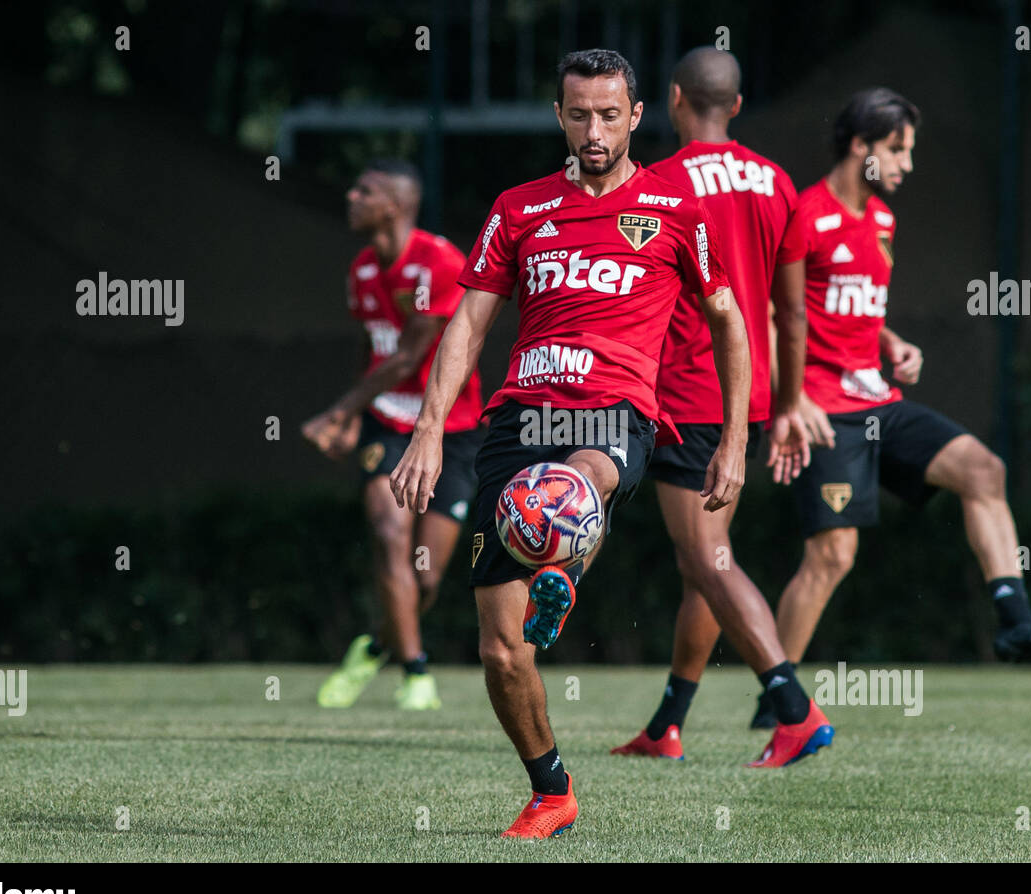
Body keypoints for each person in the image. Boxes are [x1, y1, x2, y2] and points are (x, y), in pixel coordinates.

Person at [392, 49, 793, 838]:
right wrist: (430, 430)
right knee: (503, 652)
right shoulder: (518, 208)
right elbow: (469, 323)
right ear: (558, 115)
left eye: (609, 114)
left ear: (639, 114)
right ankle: (551, 789)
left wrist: (737, 439)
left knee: (578, 483)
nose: (594, 130)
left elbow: (731, 322)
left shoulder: (674, 208)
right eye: (579, 114)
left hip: (616, 413)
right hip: (515, 420)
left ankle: (559, 562)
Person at [751, 88, 1031, 726]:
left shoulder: (881, 220)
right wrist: (787, 404)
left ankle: (1016, 622)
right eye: (897, 149)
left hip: (879, 398)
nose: (907, 164)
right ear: (860, 146)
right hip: (826, 409)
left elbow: (851, 308)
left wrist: (892, 342)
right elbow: (772, 314)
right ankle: (778, 705)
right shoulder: (805, 214)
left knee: (984, 470)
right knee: (832, 557)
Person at [610, 47, 828, 765]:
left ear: (673, 100)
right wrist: (789, 404)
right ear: (735, 106)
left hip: (683, 394)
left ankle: (793, 710)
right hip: (751, 397)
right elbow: (793, 315)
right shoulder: (778, 183)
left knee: (707, 559)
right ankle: (667, 725)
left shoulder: (657, 184)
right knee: (700, 563)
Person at [303, 160, 485, 713]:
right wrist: (358, 417)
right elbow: (372, 350)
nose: (352, 196)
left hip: (450, 430)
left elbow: (409, 355)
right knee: (388, 535)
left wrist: (335, 412)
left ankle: (376, 645)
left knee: (425, 578)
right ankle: (416, 671)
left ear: (397, 204)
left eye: (366, 190)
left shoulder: (438, 260)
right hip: (386, 423)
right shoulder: (361, 268)